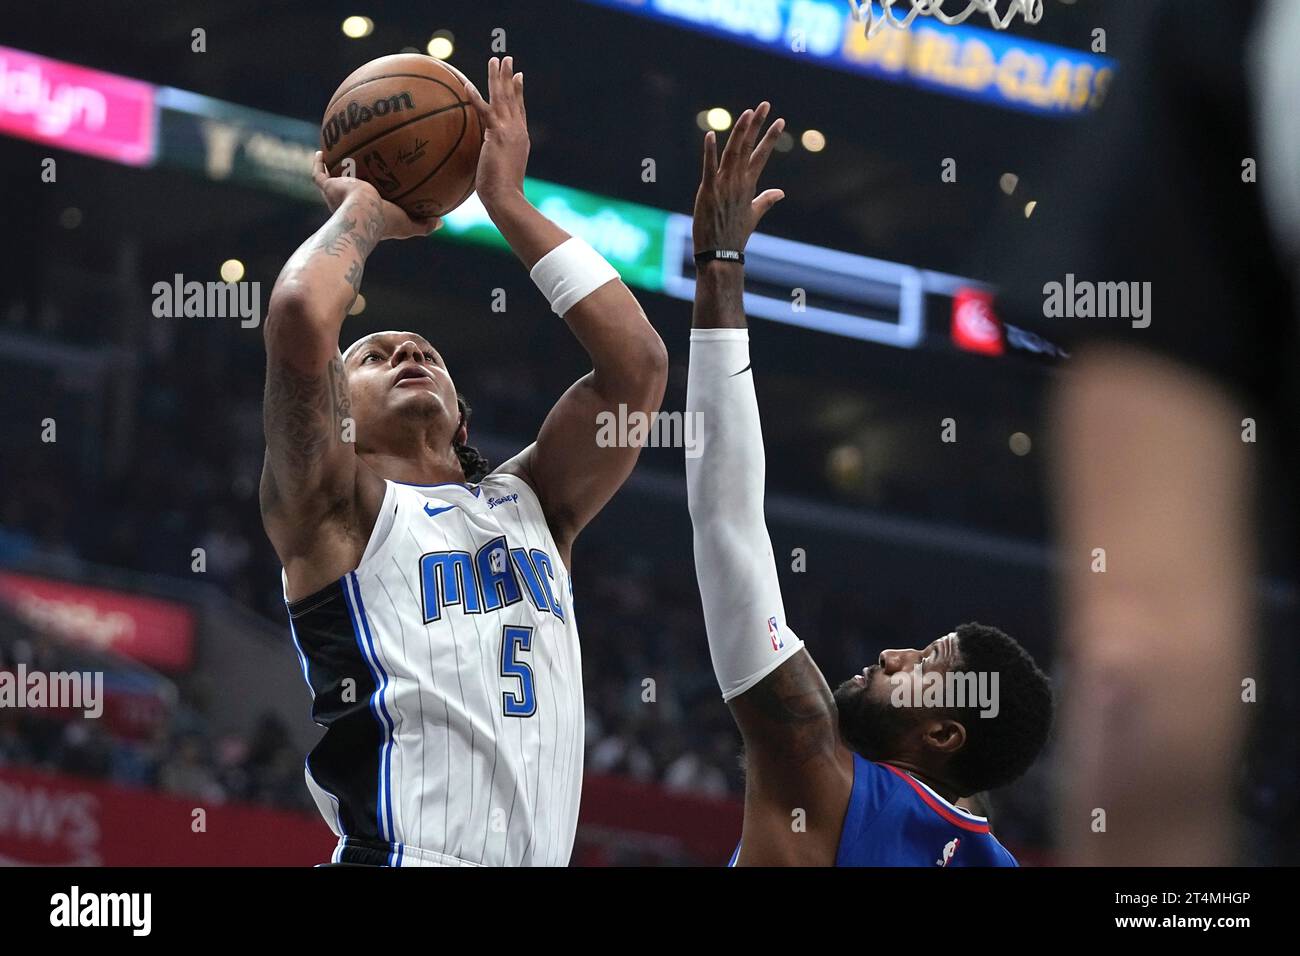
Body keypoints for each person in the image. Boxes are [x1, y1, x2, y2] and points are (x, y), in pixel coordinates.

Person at [259, 56, 667, 866]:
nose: (407, 347)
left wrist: (507, 203)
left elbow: (640, 369)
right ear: (338, 411)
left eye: (426, 353)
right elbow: (303, 313)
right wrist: (365, 215)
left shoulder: (534, 504)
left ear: (462, 414)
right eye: (374, 355)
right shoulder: (333, 507)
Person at [684, 103, 1052, 866]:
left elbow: (728, 522)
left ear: (944, 733)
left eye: (921, 665)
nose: (890, 656)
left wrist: (720, 265)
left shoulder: (820, 774)